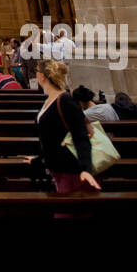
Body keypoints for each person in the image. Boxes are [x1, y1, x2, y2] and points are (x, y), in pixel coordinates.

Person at [33, 60, 101, 195]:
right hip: (57, 167)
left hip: (71, 169)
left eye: (37, 71)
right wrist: (39, 159)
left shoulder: (65, 101)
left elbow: (80, 136)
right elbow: (51, 136)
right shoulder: (49, 100)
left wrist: (86, 169)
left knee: (69, 212)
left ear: (43, 76)